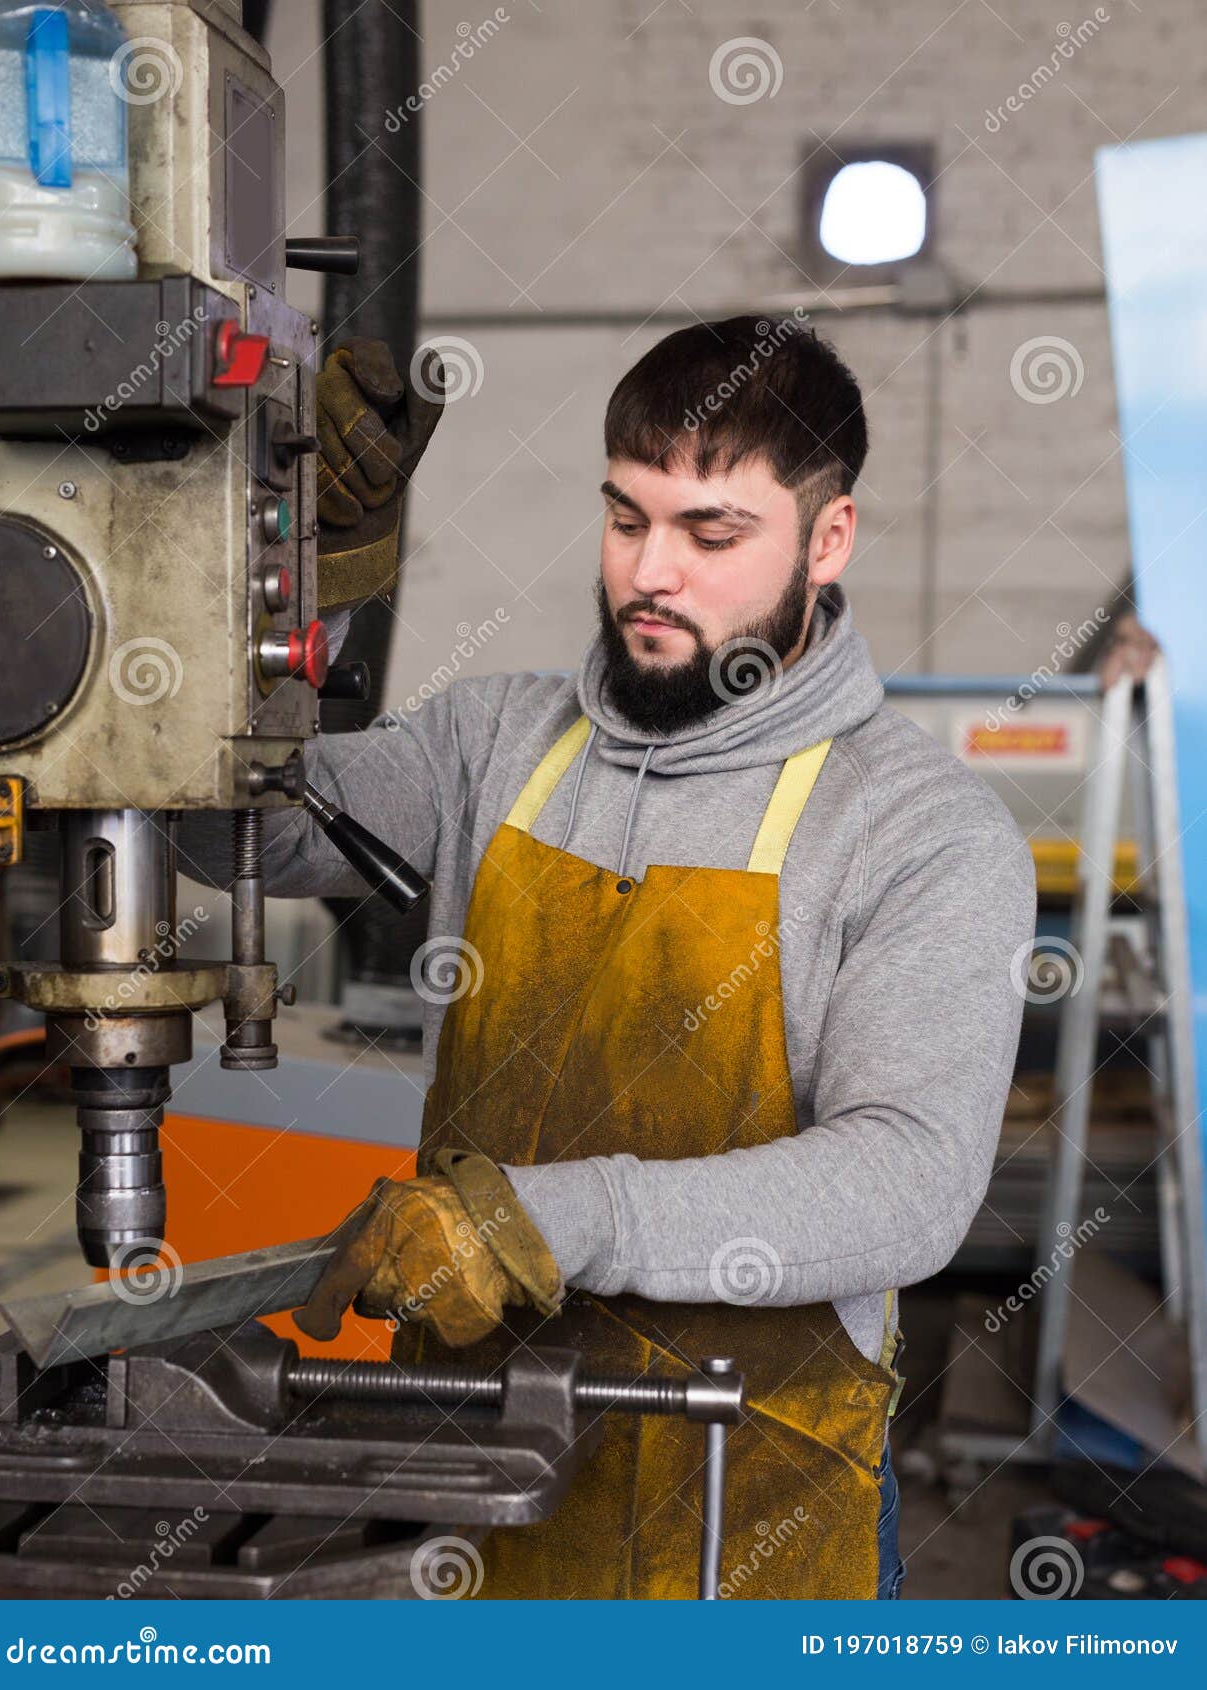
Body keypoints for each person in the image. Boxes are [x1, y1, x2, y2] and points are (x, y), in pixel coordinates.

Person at [178, 316, 1036, 1600]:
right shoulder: (494, 740)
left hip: (746, 1518)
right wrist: (313, 570)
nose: (651, 574)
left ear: (828, 539)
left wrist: (542, 1216)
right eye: (626, 518)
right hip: (467, 1490)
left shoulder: (919, 829)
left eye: (710, 534)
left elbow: (907, 1184)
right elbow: (219, 822)